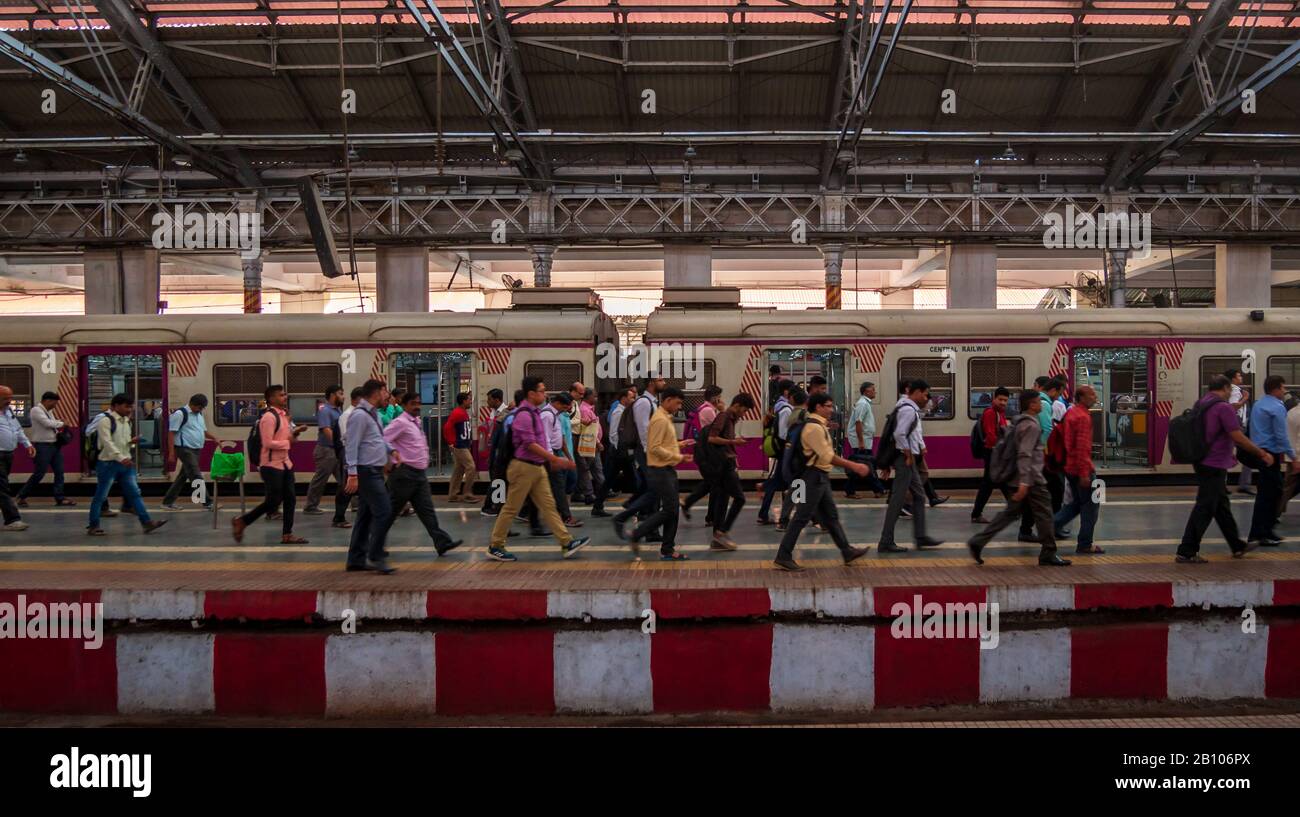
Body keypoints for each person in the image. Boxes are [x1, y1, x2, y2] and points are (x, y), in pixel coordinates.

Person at [486, 376, 590, 562]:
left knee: (549, 506)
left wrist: (552, 460)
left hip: (536, 467)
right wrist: (555, 460)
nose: (545, 393)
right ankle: (495, 545)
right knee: (511, 507)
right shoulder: (525, 414)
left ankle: (566, 542)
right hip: (524, 468)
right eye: (542, 391)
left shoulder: (535, 412)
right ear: (532, 394)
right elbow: (530, 444)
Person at [1176, 375, 1274, 563]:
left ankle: (1237, 545)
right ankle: (1186, 550)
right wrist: (1261, 453)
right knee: (1205, 507)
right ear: (1226, 388)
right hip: (1215, 463)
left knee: (1221, 505)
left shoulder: (1202, 403)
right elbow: (1237, 436)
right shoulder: (1223, 407)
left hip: (1202, 460)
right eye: (1231, 389)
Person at [968, 390, 1071, 567]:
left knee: (1009, 514)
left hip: (1018, 479)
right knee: (1045, 515)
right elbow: (1025, 454)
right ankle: (1048, 552)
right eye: (1038, 402)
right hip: (1031, 480)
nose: (1041, 405)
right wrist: (1025, 482)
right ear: (1031, 405)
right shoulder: (1031, 426)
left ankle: (978, 541)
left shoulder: (1018, 422)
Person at [773, 392, 873, 572]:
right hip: (812, 478)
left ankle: (846, 551)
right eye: (827, 406)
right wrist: (854, 466)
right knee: (801, 517)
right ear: (817, 407)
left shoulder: (817, 425)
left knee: (831, 516)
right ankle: (783, 555)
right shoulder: (814, 428)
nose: (831, 409)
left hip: (817, 477)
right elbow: (827, 456)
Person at [614, 386, 693, 560]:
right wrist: (678, 457)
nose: (679, 407)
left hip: (667, 469)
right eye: (678, 403)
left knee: (672, 510)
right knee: (670, 510)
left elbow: (662, 443)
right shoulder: (659, 419)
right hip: (660, 470)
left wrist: (679, 445)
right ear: (668, 400)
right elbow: (654, 448)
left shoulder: (664, 417)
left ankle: (667, 549)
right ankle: (638, 534)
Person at [382, 391, 462, 556]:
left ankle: (442, 542)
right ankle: (374, 545)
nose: (417, 406)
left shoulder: (415, 422)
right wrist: (389, 459)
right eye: (413, 403)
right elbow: (382, 439)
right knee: (389, 512)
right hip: (404, 475)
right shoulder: (400, 423)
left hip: (418, 475)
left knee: (427, 510)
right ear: (404, 406)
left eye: (418, 403)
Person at [231, 385, 309, 545]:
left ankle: (287, 534)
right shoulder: (269, 417)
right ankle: (243, 521)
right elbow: (267, 443)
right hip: (271, 465)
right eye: (281, 395)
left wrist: (295, 432)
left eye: (285, 394)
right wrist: (287, 442)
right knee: (273, 501)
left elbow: (287, 438)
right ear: (271, 399)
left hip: (285, 463)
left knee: (290, 499)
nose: (285, 397)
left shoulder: (283, 417)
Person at [86, 393, 168, 537]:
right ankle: (93, 525)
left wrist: (131, 442)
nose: (129, 409)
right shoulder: (105, 421)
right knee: (101, 495)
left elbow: (121, 442)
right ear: (115, 406)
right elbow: (107, 443)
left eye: (130, 406)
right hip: (107, 464)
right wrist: (121, 458)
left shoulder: (127, 421)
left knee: (135, 494)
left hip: (125, 463)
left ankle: (147, 523)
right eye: (126, 406)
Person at [878, 379, 944, 553]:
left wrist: (920, 446)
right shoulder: (908, 410)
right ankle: (886, 541)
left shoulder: (905, 406)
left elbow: (909, 433)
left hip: (907, 459)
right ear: (915, 392)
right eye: (924, 393)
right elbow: (899, 434)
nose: (926, 397)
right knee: (897, 500)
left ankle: (921, 537)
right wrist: (908, 453)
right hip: (904, 459)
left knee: (920, 496)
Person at [343, 379, 400, 573]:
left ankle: (356, 560)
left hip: (373, 470)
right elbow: (351, 445)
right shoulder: (359, 415)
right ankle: (375, 555)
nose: (388, 396)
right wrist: (352, 473)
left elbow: (377, 439)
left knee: (365, 516)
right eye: (386, 392)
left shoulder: (372, 413)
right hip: (366, 471)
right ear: (376, 392)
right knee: (384, 511)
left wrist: (390, 450)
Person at [1053, 385, 1104, 554]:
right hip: (1084, 469)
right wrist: (1084, 473)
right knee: (1093, 506)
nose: (1095, 397)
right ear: (1081, 397)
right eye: (1091, 394)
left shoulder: (1071, 412)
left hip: (1069, 466)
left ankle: (1049, 526)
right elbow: (1082, 448)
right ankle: (1085, 544)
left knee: (1075, 504)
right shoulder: (1083, 417)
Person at [700, 393, 754, 550]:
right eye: (744, 410)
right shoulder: (724, 417)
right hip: (723, 465)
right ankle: (721, 532)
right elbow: (711, 438)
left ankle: (717, 538)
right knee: (739, 498)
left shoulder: (730, 418)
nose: (744, 414)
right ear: (737, 405)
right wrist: (733, 442)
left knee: (722, 500)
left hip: (726, 463)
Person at [1247, 375, 1296, 546]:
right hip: (1270, 456)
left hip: (1261, 453)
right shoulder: (1277, 407)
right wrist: (1294, 457)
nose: (1284, 392)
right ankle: (1260, 534)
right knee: (1269, 494)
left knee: (1270, 493)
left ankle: (1266, 531)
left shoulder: (1258, 404)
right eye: (1282, 388)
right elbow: (1281, 436)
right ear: (1275, 389)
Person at [1019, 376, 1065, 541]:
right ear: (1052, 390)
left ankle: (1038, 529)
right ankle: (1052, 528)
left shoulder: (1043, 404)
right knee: (1054, 493)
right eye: (1059, 393)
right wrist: (1046, 453)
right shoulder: (1045, 404)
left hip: (1039, 459)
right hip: (1044, 459)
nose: (1059, 397)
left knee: (1040, 495)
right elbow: (1047, 429)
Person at [16, 391, 76, 508]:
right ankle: (22, 496)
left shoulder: (49, 411)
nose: (55, 405)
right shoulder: (36, 410)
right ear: (47, 401)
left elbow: (53, 423)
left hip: (54, 446)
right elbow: (47, 424)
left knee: (59, 472)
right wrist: (62, 423)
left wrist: (58, 422)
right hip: (43, 446)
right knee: (40, 473)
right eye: (54, 403)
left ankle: (60, 497)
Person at [160, 394, 219, 511]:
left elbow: (203, 431)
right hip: (184, 449)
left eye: (202, 408)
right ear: (192, 404)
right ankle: (207, 503)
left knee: (183, 476)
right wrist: (171, 453)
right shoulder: (180, 414)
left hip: (196, 449)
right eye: (199, 407)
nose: (201, 410)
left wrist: (214, 438)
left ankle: (167, 502)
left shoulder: (199, 414)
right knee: (196, 474)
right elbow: (171, 433)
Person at [681, 386, 724, 521]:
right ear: (715, 398)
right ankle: (691, 505)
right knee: (714, 483)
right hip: (706, 452)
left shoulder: (702, 409)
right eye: (719, 397)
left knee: (713, 483)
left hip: (703, 451)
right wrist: (722, 411)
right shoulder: (709, 411)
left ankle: (709, 516)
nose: (721, 400)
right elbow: (721, 429)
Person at [756, 378, 796, 524]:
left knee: (781, 481)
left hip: (784, 451)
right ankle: (804, 516)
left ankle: (765, 513)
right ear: (787, 392)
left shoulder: (780, 405)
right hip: (785, 450)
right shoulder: (785, 408)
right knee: (794, 481)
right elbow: (783, 433)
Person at [304, 385, 347, 519]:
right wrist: (340, 443)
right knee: (320, 479)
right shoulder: (325, 410)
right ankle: (310, 506)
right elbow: (326, 430)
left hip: (335, 450)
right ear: (333, 395)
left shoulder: (338, 411)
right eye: (341, 393)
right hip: (326, 450)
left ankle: (350, 503)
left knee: (344, 479)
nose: (343, 396)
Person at [971, 386, 1013, 524]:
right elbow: (990, 435)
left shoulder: (1000, 413)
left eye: (1005, 400)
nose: (1003, 403)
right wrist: (1002, 449)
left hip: (995, 451)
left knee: (1000, 481)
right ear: (994, 398)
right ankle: (976, 514)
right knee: (990, 483)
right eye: (1000, 399)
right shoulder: (991, 413)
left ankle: (1014, 509)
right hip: (992, 452)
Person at [541, 392, 581, 527]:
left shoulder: (557, 415)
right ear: (558, 403)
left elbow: (561, 439)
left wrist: (569, 457)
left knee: (552, 486)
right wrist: (553, 459)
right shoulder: (547, 415)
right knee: (558, 486)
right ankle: (566, 517)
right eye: (565, 407)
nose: (566, 410)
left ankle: (527, 512)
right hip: (550, 455)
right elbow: (545, 440)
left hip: (557, 453)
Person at [0, 385, 34, 531]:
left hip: (8, 454)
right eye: (5, 398)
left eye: (10, 398)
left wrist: (27, 444)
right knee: (2, 488)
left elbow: (17, 429)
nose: (9, 401)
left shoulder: (9, 412)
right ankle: (12, 520)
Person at [845, 381, 885, 499]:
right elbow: (858, 422)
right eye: (873, 389)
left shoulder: (864, 403)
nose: (875, 391)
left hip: (864, 440)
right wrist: (861, 441)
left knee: (863, 465)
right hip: (862, 442)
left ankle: (851, 490)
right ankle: (878, 490)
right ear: (866, 391)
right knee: (866, 466)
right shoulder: (863, 404)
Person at [575, 389, 608, 515]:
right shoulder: (584, 410)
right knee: (594, 469)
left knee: (589, 469)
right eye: (594, 396)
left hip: (593, 444)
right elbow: (588, 431)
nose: (596, 398)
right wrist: (598, 443)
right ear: (588, 397)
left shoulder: (589, 409)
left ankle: (580, 491)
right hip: (591, 445)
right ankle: (598, 492)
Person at [443, 391, 477, 503]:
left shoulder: (462, 412)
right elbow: (447, 428)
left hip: (462, 444)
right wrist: (451, 442)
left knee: (459, 469)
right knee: (471, 467)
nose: (470, 401)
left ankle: (453, 495)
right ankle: (467, 493)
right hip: (460, 445)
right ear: (463, 401)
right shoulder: (458, 413)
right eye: (468, 399)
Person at [480, 388, 508, 516]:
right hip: (494, 451)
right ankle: (494, 506)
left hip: (500, 452)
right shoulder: (493, 412)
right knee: (497, 480)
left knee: (498, 481)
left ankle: (494, 507)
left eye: (489, 399)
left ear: (497, 400)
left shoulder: (505, 413)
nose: (487, 402)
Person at [1227, 368, 1254, 494]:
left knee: (1226, 454)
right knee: (1248, 454)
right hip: (1237, 428)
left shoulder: (1230, 389)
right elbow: (1233, 407)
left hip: (1236, 426)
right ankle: (1244, 484)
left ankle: (1242, 484)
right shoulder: (1235, 390)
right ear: (1233, 379)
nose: (1241, 377)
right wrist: (1245, 398)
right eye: (1239, 376)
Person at [1280, 394, 1300, 517]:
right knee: (1288, 488)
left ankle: (1275, 511)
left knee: (1287, 487)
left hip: (1292, 456)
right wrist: (1296, 459)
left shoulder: (1292, 412)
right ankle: (1274, 511)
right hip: (1297, 458)